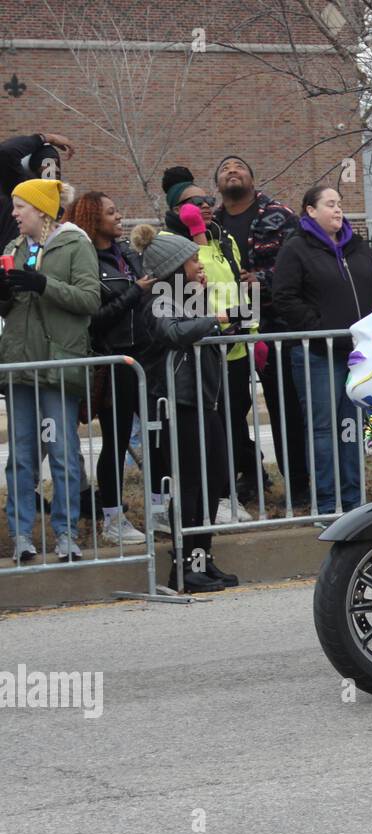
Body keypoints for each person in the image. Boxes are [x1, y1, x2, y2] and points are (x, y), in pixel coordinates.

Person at [130, 224, 238, 592]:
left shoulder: (188, 297)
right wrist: (216, 319)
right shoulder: (158, 298)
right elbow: (173, 333)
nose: (201, 266)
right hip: (176, 403)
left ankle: (203, 558)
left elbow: (199, 332)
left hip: (204, 400)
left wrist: (222, 323)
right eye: (194, 261)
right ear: (175, 268)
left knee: (214, 480)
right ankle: (183, 568)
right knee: (192, 484)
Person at [1, 179, 98, 563]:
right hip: (21, 366)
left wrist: (43, 283)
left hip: (58, 366)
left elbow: (89, 298)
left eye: (19, 206)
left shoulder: (76, 245)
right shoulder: (13, 248)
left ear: (40, 209)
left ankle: (66, 534)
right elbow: (10, 310)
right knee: (21, 456)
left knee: (62, 454)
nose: (13, 213)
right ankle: (22, 535)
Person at [273, 186, 372, 514]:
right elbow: (284, 297)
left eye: (340, 204)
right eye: (330, 204)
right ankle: (326, 504)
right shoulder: (296, 249)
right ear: (310, 210)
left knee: (351, 427)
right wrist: (320, 327)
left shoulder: (358, 247)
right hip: (318, 355)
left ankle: (353, 502)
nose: (338, 210)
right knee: (323, 430)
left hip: (357, 355)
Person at [212, 155, 310, 506]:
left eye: (239, 166)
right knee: (226, 411)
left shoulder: (279, 216)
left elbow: (301, 262)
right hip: (230, 332)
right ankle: (250, 473)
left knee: (286, 411)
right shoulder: (212, 224)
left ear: (252, 178)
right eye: (225, 169)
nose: (232, 171)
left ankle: (299, 486)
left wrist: (261, 279)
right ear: (218, 184)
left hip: (273, 328)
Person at [66, 191, 156, 545]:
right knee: (115, 442)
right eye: (112, 212)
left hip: (145, 359)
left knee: (157, 436)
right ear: (93, 218)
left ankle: (160, 509)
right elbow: (93, 320)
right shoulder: (87, 260)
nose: (120, 217)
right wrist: (134, 292)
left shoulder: (128, 257)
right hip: (115, 361)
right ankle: (112, 518)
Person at [169, 182, 257, 519]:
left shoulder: (225, 239)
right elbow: (191, 287)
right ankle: (216, 497)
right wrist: (196, 237)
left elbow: (239, 285)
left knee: (233, 424)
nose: (205, 205)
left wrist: (253, 331)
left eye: (208, 200)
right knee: (210, 431)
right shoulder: (176, 245)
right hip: (204, 347)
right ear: (177, 209)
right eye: (195, 202)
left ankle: (228, 491)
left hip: (234, 345)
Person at [0, 132, 72, 251]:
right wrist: (46, 138)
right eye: (46, 166)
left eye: (55, 167)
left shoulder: (73, 234)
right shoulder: (22, 188)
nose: (53, 172)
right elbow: (6, 152)